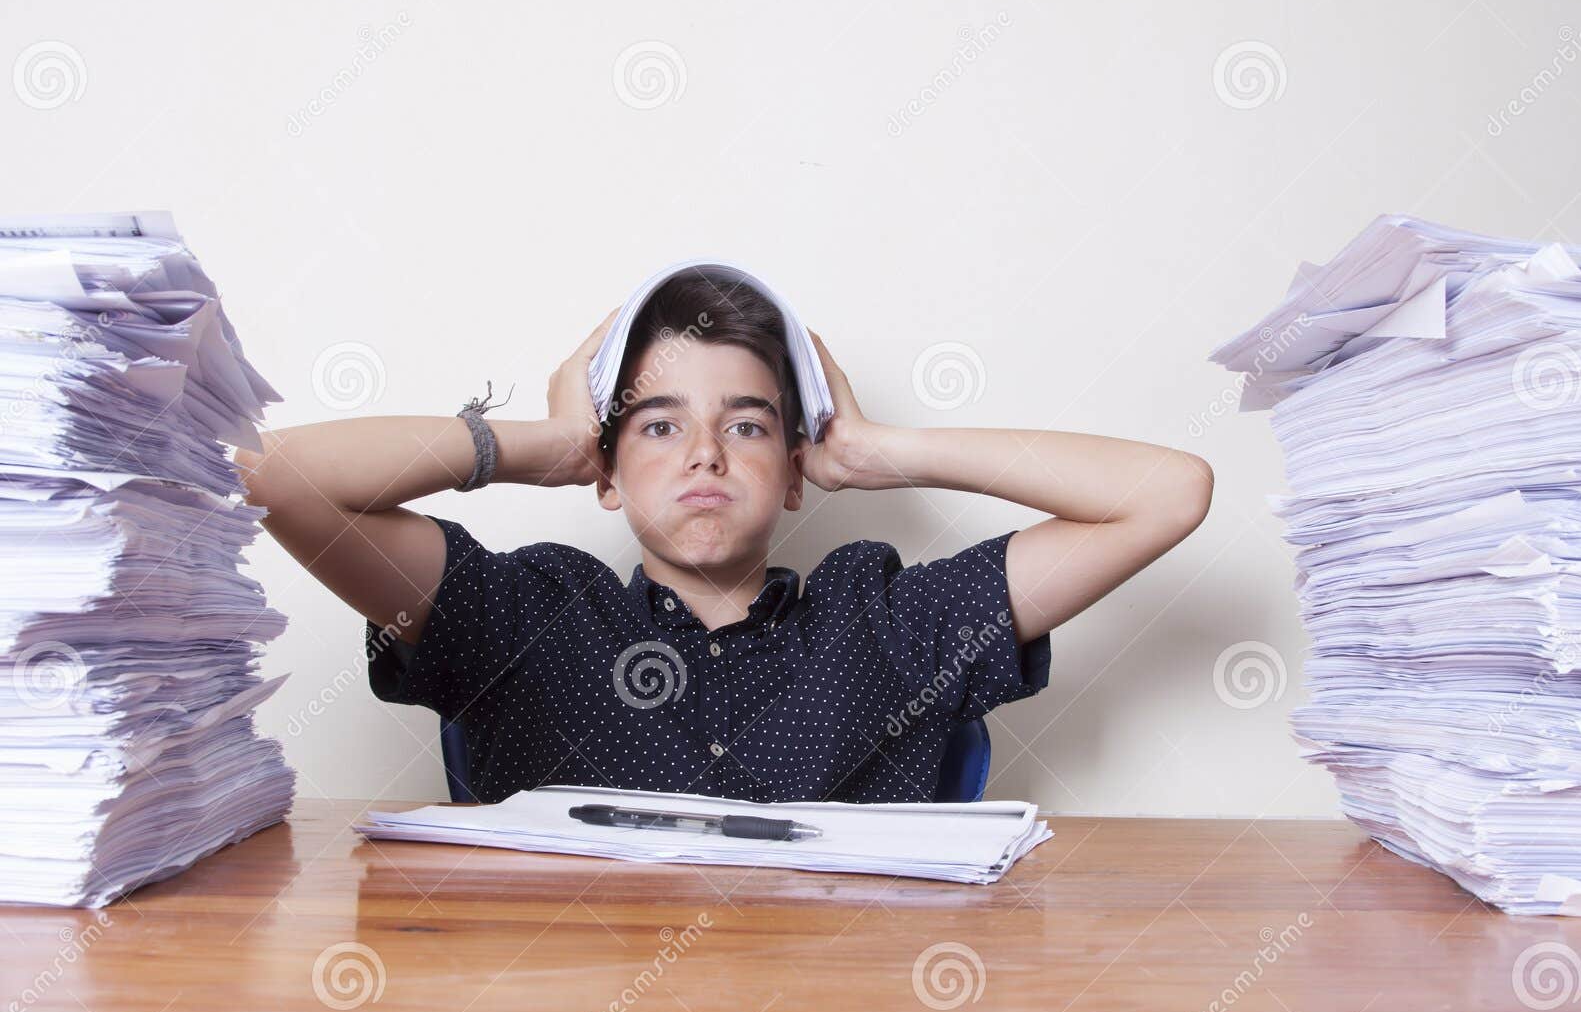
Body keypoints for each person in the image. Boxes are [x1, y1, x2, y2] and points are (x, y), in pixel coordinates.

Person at [234, 270, 1213, 804]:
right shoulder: (517, 615)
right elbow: (271, 475)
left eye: (745, 424)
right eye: (659, 425)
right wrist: (542, 443)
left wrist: (880, 449)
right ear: (608, 472)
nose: (704, 452)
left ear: (795, 468)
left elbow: (1168, 492)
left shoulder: (895, 618)